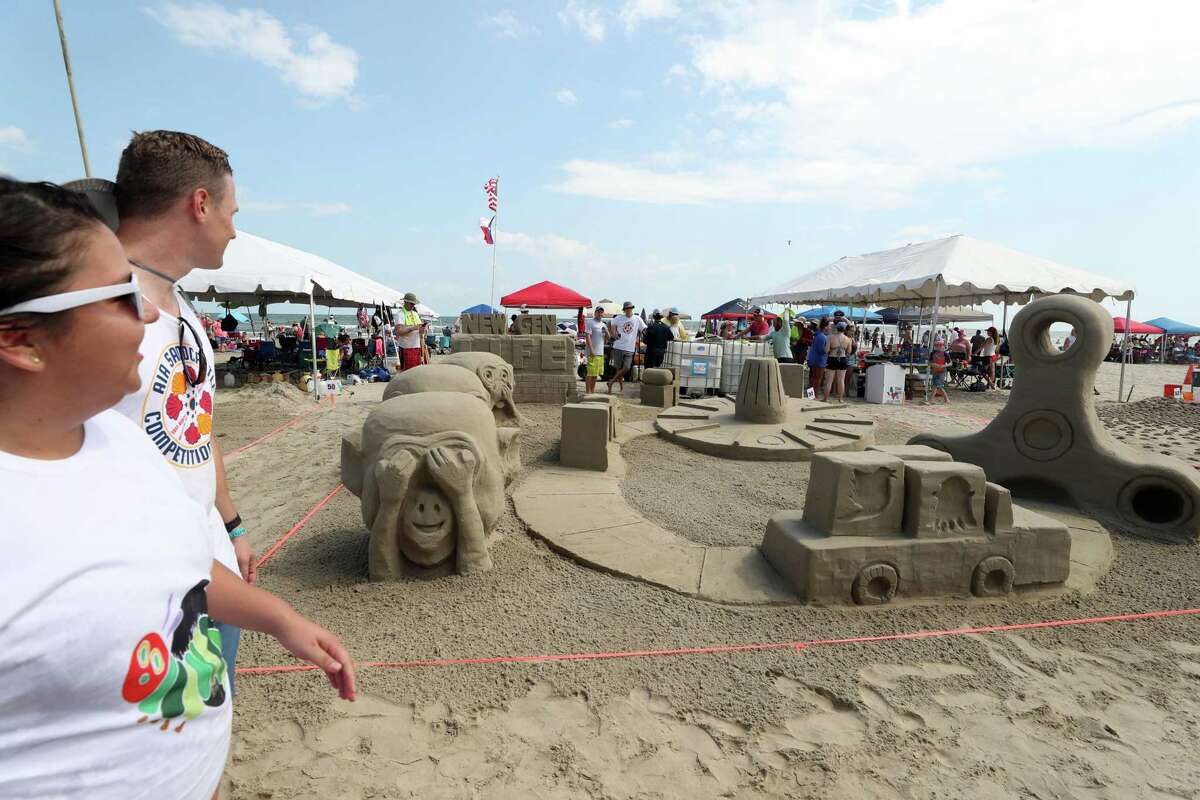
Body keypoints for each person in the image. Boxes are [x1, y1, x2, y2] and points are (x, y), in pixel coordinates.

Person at [0, 178, 356, 799]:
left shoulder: (118, 444)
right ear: (22, 339)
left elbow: (180, 567)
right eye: (117, 297)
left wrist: (279, 617)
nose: (145, 311)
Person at [105, 130, 258, 693]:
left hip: (209, 560)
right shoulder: (92, 307)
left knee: (206, 729)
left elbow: (198, 425)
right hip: (138, 587)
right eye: (230, 211)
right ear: (200, 204)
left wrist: (231, 523)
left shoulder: (184, 309)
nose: (234, 229)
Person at [607, 301, 645, 394]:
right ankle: (621, 388)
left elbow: (644, 329)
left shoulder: (637, 319)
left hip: (630, 348)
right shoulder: (619, 318)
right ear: (624, 310)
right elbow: (609, 323)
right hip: (618, 347)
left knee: (627, 367)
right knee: (619, 369)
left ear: (632, 308)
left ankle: (611, 382)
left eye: (630, 308)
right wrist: (613, 334)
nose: (628, 310)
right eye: (627, 309)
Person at [393, 291, 424, 371]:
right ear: (405, 302)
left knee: (416, 371)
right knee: (407, 371)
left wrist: (423, 329)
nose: (412, 306)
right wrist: (412, 328)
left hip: (416, 346)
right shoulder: (400, 314)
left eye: (413, 304)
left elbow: (420, 331)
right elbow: (399, 331)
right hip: (406, 347)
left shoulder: (415, 314)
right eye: (411, 304)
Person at [822, 320, 851, 403]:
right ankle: (840, 399)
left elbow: (826, 350)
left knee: (829, 380)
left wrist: (831, 349)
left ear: (837, 328)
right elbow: (849, 352)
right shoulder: (847, 339)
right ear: (844, 329)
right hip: (842, 359)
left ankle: (825, 398)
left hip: (832, 358)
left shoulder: (830, 337)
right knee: (841, 380)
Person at [584, 306, 608, 394]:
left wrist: (607, 333)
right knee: (590, 373)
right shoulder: (590, 322)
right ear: (595, 313)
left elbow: (606, 340)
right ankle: (588, 392)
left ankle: (592, 392)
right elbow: (587, 336)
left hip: (600, 352)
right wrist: (591, 350)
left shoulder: (603, 325)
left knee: (595, 374)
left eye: (601, 312)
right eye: (598, 312)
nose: (600, 314)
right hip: (592, 352)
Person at [807, 321, 828, 394]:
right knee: (818, 379)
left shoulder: (817, 335)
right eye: (828, 326)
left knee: (813, 378)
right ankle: (814, 395)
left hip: (813, 359)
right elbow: (821, 350)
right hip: (819, 360)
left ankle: (811, 395)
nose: (829, 328)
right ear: (825, 327)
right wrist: (828, 350)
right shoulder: (822, 337)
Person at [927, 338, 950, 404]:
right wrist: (933, 364)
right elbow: (929, 363)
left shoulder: (945, 354)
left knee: (935, 385)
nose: (938, 347)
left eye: (940, 345)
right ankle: (947, 399)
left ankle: (930, 400)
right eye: (937, 345)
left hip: (942, 371)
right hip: (935, 371)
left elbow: (950, 363)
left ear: (943, 346)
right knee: (938, 387)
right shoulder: (932, 353)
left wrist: (943, 366)